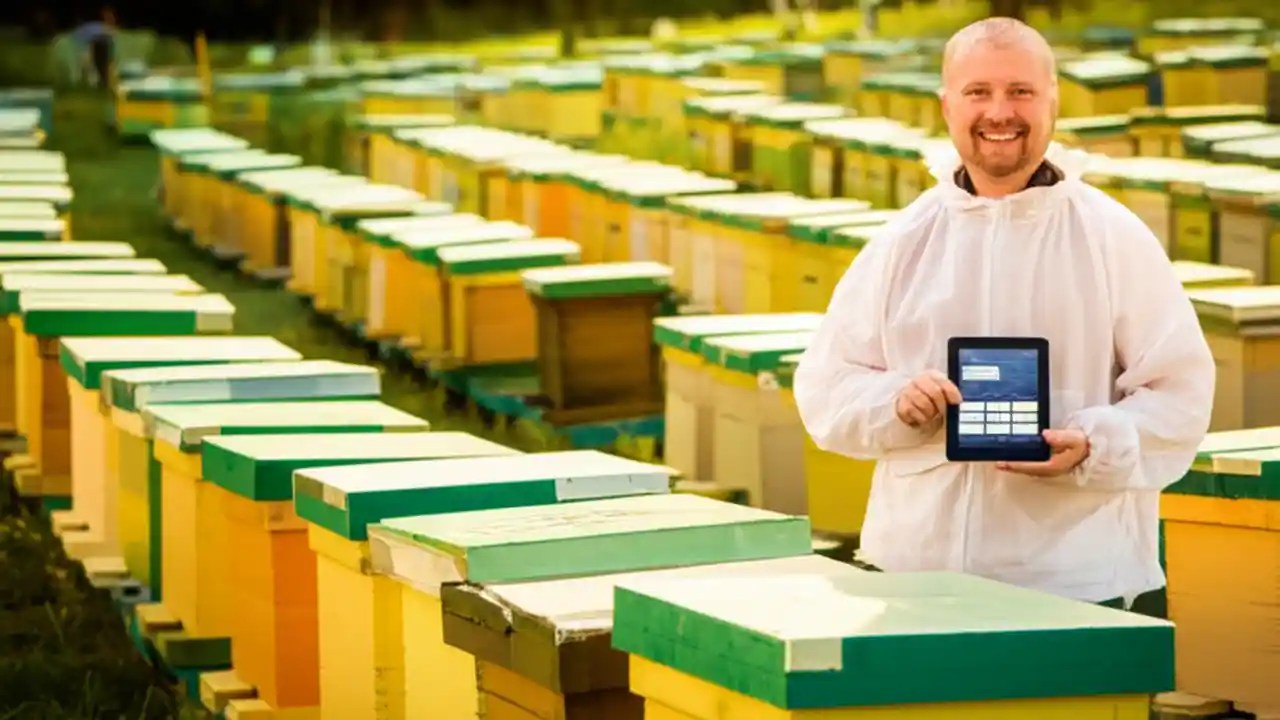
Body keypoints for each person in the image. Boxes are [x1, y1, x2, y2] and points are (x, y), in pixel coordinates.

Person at [792, 17, 1215, 612]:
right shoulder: (903, 240)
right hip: (917, 576)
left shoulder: (1113, 236)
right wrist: (896, 404)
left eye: (1020, 91)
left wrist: (1095, 445)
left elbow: (1181, 394)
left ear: (1052, 101)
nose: (1000, 112)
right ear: (946, 105)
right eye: (978, 92)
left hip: (1073, 581)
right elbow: (826, 387)